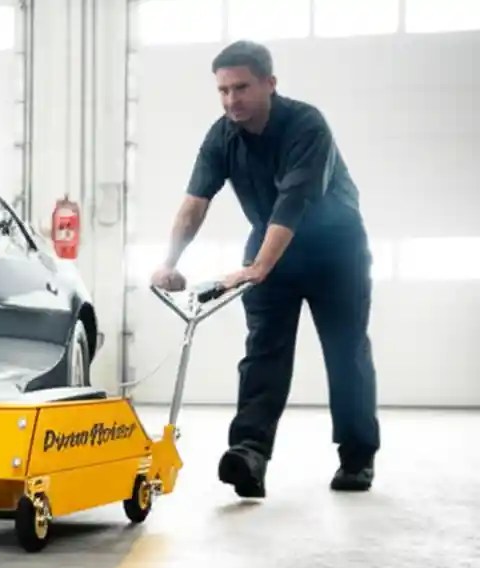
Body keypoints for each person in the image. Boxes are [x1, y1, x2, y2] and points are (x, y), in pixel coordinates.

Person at [150, 40, 380, 498]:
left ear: (270, 84)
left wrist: (257, 268)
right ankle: (249, 454)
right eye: (223, 90)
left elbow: (294, 203)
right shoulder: (221, 137)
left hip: (336, 250)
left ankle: (357, 457)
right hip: (270, 242)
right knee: (263, 350)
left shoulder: (306, 125)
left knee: (345, 349)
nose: (231, 100)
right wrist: (168, 263)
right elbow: (194, 203)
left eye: (241, 88)